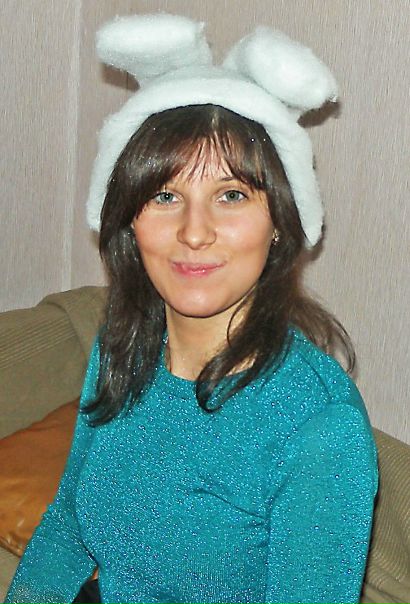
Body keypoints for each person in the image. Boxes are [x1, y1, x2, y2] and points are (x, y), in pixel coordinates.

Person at [6, 13, 378, 604]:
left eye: (231, 195)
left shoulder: (320, 426)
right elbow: (69, 526)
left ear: (279, 222)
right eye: (165, 195)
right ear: (129, 220)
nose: (194, 232)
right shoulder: (122, 348)